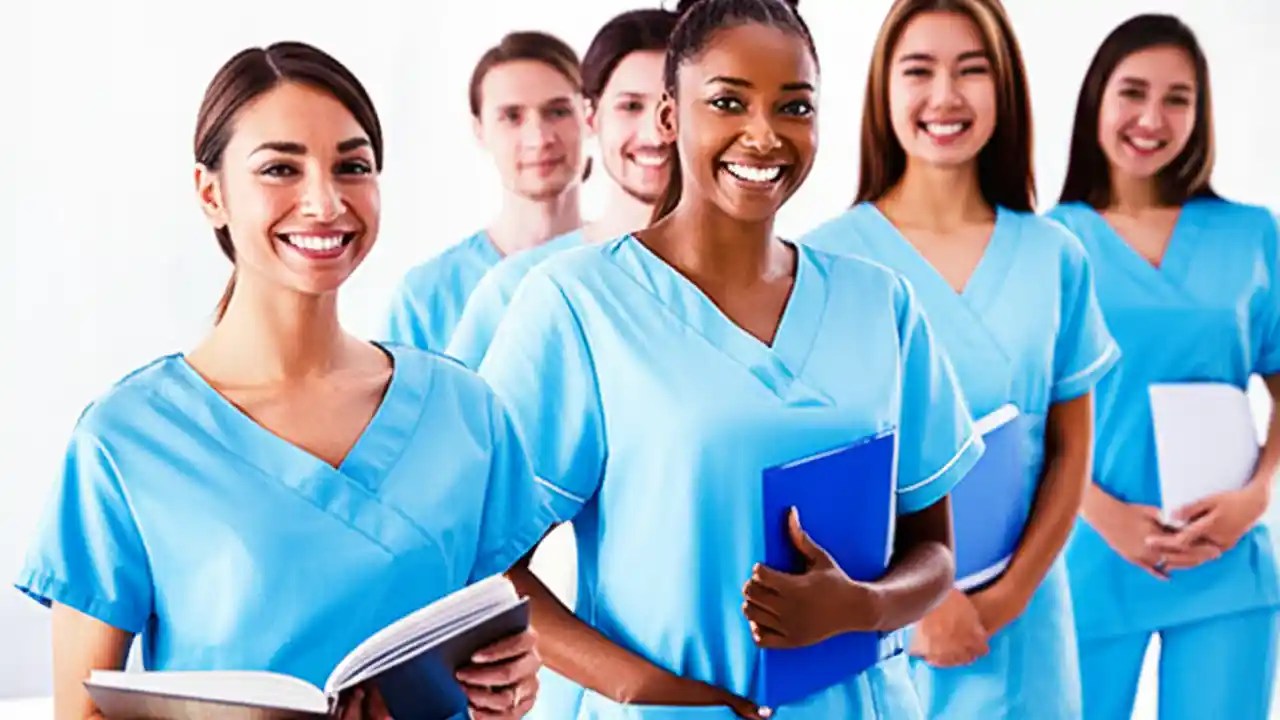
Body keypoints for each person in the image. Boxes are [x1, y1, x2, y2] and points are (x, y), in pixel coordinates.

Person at [476, 1, 985, 717]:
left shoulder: (881, 304)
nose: (764, 134)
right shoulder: (579, 303)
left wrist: (861, 606)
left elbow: (934, 552)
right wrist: (640, 686)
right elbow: (485, 558)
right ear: (668, 117)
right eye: (727, 101)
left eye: (795, 106)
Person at [14, 42, 549, 720]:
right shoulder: (125, 441)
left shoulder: (465, 412)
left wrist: (509, 686)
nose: (324, 201)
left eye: (352, 166)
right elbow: (81, 713)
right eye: (280, 169)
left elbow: (485, 659)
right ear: (212, 194)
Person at [799, 1, 1119, 717]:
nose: (945, 96)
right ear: (884, 90)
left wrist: (1004, 600)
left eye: (971, 71)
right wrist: (916, 608)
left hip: (1027, 620)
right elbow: (820, 462)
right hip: (880, 625)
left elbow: (1070, 451)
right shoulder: (825, 260)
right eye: (920, 71)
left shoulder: (1053, 256)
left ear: (1004, 89)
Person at [1048, 14, 1280, 720]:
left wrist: (1256, 496)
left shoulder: (1251, 234)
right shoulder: (1048, 241)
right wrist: (1102, 513)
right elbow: (1024, 410)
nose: (1153, 117)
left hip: (1226, 565)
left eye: (1178, 98)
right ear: (1096, 101)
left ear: (1199, 113)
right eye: (1134, 92)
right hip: (1088, 556)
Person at [447, 8, 680, 369]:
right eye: (631, 106)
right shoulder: (516, 289)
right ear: (592, 117)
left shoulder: (752, 285)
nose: (655, 133)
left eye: (673, 107)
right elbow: (454, 419)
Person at [380, 31, 587, 352]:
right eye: (511, 117)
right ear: (479, 129)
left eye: (557, 111)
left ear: (589, 117)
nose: (539, 138)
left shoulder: (628, 273)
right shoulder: (426, 297)